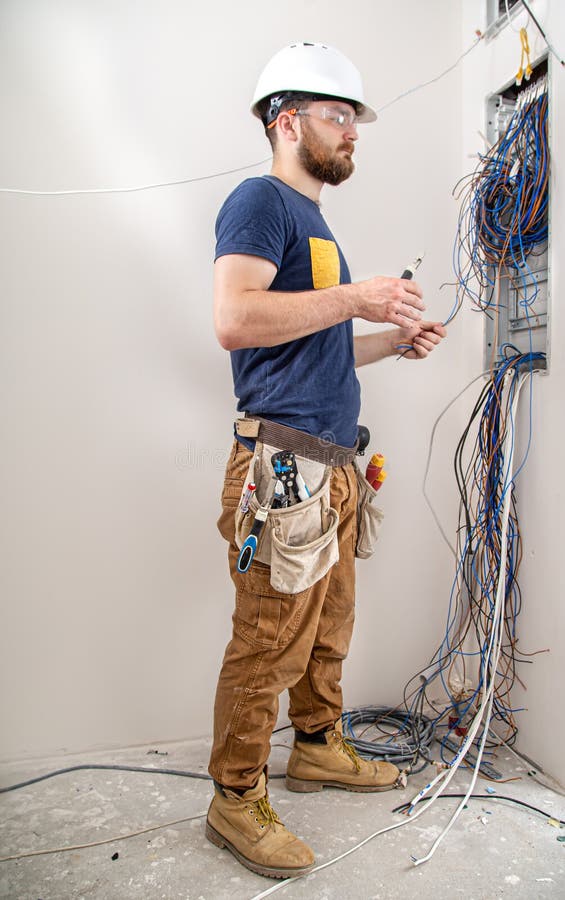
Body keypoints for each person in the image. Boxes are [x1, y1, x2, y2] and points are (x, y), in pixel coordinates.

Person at [205, 41, 446, 880]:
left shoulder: (313, 222)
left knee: (327, 629)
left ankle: (315, 747)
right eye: (338, 115)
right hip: (281, 469)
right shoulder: (259, 202)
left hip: (331, 466)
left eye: (354, 119)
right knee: (267, 641)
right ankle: (235, 796)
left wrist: (389, 339)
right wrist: (354, 297)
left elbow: (313, 348)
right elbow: (234, 321)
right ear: (286, 120)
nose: (352, 132)